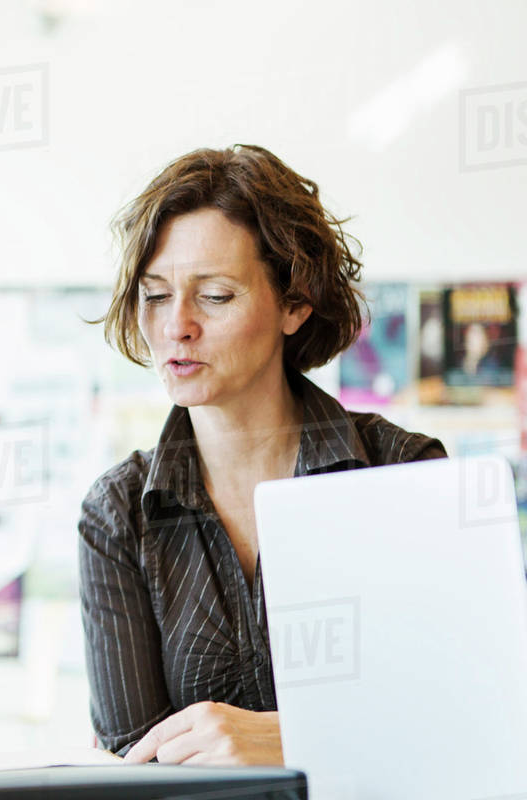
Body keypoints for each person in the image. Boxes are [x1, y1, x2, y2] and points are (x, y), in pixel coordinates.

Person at [79, 145, 444, 765]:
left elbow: (459, 720)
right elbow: (136, 767)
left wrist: (292, 740)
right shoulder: (118, 513)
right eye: (156, 295)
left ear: (295, 302)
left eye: (215, 296)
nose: (176, 326)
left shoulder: (403, 472)